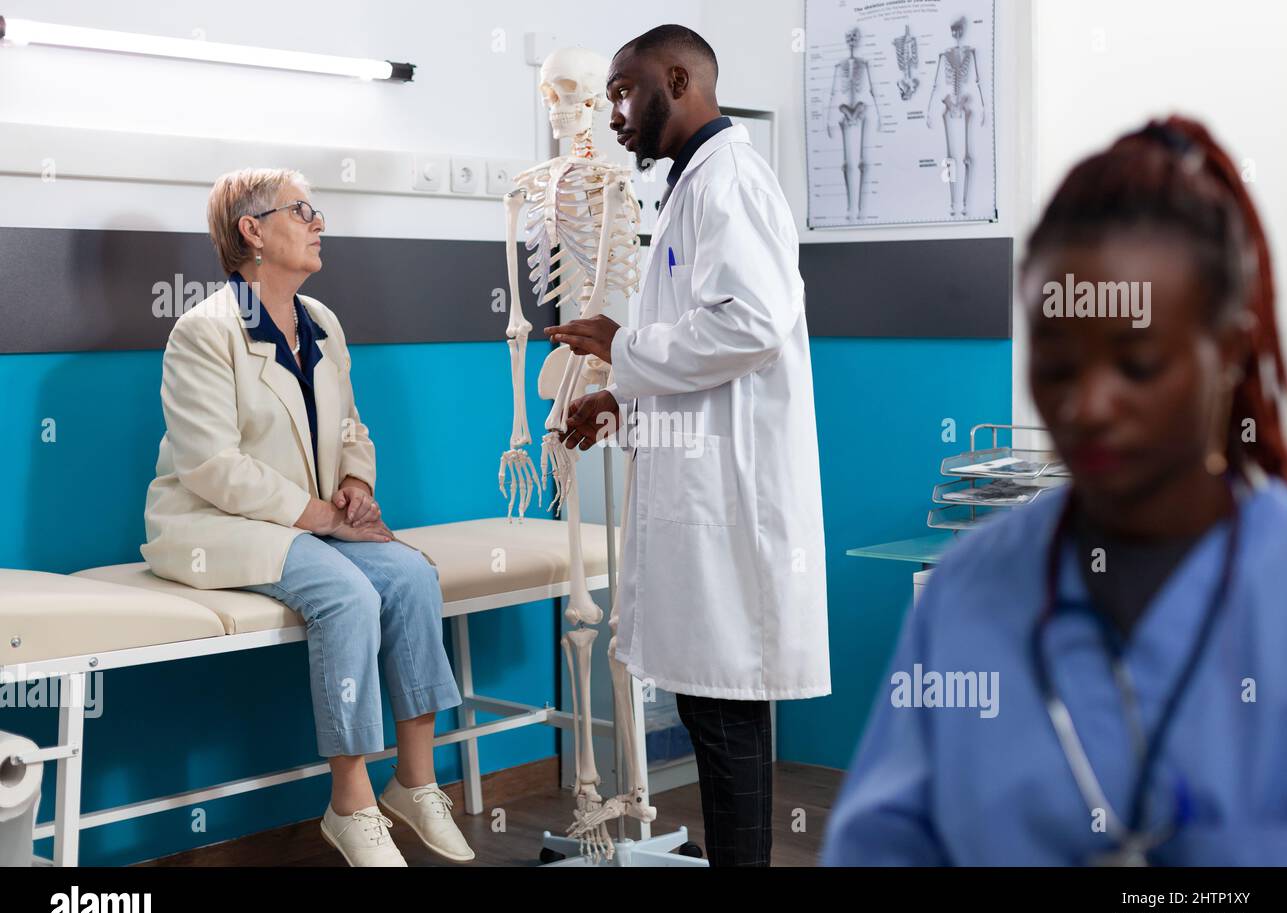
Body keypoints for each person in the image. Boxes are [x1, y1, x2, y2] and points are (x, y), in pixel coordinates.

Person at [822, 117, 1287, 865]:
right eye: (1056, 362)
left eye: (1137, 362)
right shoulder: (973, 589)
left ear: (1229, 351)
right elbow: (882, 844)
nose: (1088, 405)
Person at [548, 25, 830, 867]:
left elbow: (749, 326)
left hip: (730, 503)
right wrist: (621, 401)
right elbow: (699, 353)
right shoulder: (689, 187)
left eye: (625, 92)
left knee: (726, 715)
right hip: (703, 486)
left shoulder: (729, 180)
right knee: (714, 712)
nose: (613, 114)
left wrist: (617, 346)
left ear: (680, 79)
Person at [141, 168, 472, 867]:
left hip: (308, 523)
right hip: (212, 525)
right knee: (348, 592)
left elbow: (352, 424)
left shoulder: (321, 321)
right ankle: (350, 802)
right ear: (252, 232)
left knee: (411, 575)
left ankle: (415, 782)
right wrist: (322, 514)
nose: (319, 222)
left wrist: (354, 482)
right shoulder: (202, 332)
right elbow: (211, 467)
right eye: (303, 210)